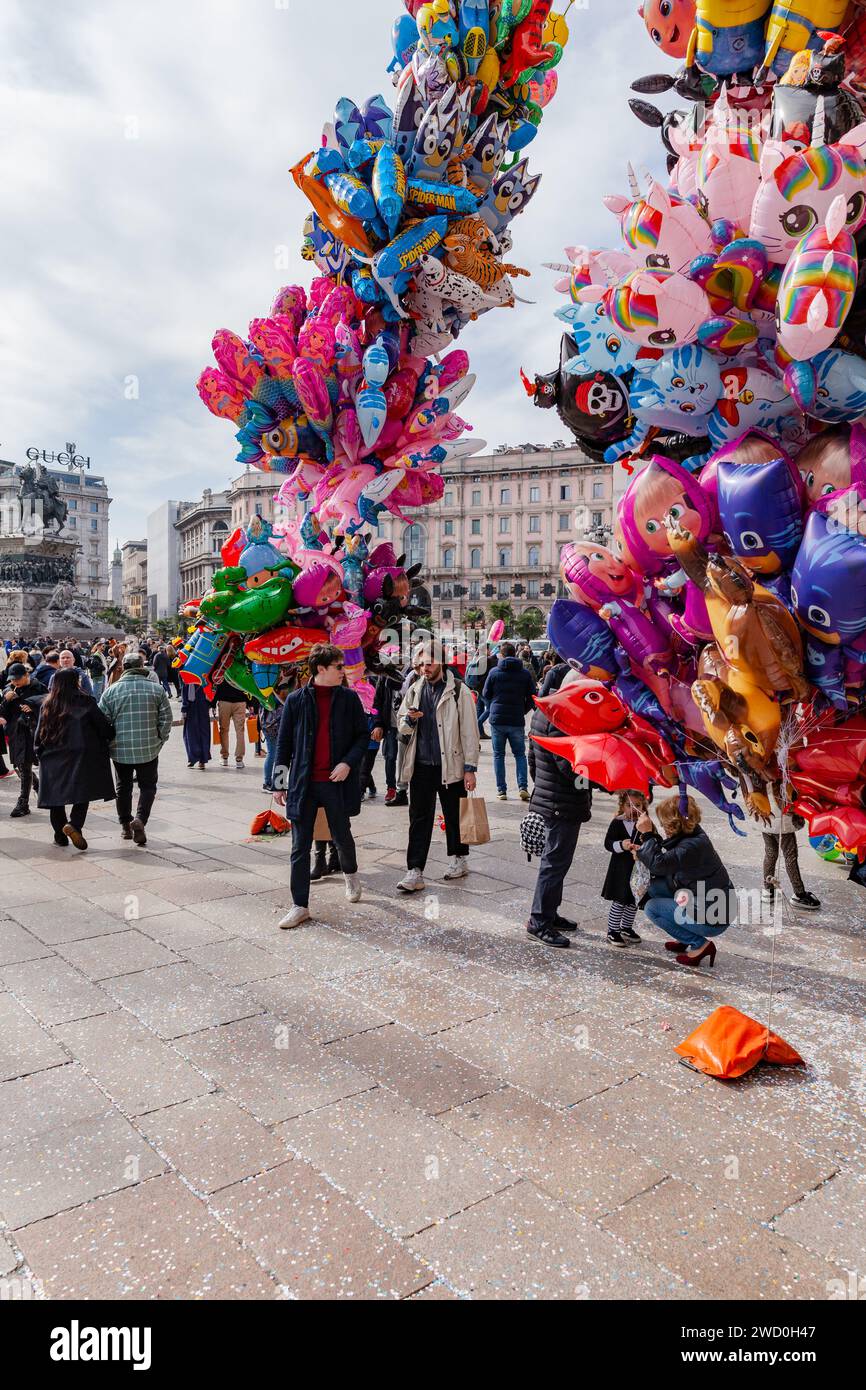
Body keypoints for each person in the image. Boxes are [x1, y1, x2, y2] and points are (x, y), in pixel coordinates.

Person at [273, 643, 369, 929]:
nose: (344, 671)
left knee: (342, 835)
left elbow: (362, 737)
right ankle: (299, 905)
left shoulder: (350, 699)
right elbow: (284, 743)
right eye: (338, 667)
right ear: (321, 669)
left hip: (335, 783)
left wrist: (348, 763)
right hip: (303, 783)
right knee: (299, 846)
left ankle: (350, 875)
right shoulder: (296, 700)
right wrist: (279, 783)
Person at [396, 643, 480, 894]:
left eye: (429, 662)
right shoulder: (414, 690)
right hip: (421, 765)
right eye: (421, 664)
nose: (425, 668)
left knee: (455, 815)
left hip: (451, 764)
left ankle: (459, 858)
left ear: (441, 662)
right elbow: (401, 727)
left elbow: (469, 730)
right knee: (419, 818)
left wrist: (470, 767)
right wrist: (408, 720)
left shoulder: (458, 691)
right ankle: (415, 870)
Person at [524, 671, 592, 947]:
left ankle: (550, 912)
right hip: (561, 803)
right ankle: (539, 921)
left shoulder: (543, 712)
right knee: (554, 864)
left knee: (556, 863)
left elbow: (532, 759)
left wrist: (541, 785)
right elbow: (570, 768)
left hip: (548, 797)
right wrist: (592, 778)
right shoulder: (563, 720)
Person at [635, 795, 737, 968]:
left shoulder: (691, 846)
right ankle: (683, 936)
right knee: (654, 889)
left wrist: (646, 836)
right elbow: (667, 858)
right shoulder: (692, 833)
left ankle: (700, 944)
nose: (662, 827)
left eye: (664, 823)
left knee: (652, 908)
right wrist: (648, 842)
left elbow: (659, 865)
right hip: (711, 903)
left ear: (673, 824)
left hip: (713, 918)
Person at [34, 668, 116, 850]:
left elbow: (39, 733)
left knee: (56, 798)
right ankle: (75, 825)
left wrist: (39, 752)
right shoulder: (86, 701)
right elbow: (103, 728)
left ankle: (60, 836)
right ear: (75, 682)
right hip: (82, 755)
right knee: (82, 793)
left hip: (52, 755)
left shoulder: (47, 704)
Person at [99, 652, 173, 846]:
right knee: (147, 787)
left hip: (120, 749)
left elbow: (102, 721)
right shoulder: (156, 690)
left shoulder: (111, 691)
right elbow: (166, 719)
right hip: (149, 748)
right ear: (142, 666)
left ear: (124, 667)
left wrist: (110, 741)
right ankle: (140, 819)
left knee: (123, 788)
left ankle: (125, 826)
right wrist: (160, 739)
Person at [481, 641, 536, 802]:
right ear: (515, 653)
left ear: (502, 655)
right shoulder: (524, 673)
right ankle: (523, 787)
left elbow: (485, 693)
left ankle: (501, 790)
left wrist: (493, 706)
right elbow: (532, 697)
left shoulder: (494, 672)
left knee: (499, 755)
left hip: (497, 719)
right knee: (520, 754)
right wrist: (523, 710)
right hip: (516, 719)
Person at [762, 785, 820, 912]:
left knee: (770, 854)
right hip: (783, 825)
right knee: (790, 856)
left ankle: (768, 889)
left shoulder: (756, 775)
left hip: (766, 820)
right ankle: (799, 894)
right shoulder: (780, 774)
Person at [0, 662, 47, 818]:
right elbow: (3, 713)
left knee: (25, 766)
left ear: (26, 675)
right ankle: (38, 785)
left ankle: (23, 803)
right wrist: (6, 700)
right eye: (12, 679)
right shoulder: (9, 690)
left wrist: (32, 707)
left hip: (32, 732)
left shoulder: (39, 687)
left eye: (17, 679)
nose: (15, 682)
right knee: (20, 767)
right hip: (15, 733)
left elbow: (49, 705)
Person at [602, 791, 648, 947]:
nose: (634, 809)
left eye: (638, 805)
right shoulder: (617, 822)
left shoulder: (645, 823)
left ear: (644, 806)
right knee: (620, 900)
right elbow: (608, 843)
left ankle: (626, 927)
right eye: (629, 805)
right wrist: (621, 845)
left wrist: (643, 846)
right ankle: (612, 930)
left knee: (633, 900)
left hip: (637, 869)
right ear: (622, 806)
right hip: (620, 869)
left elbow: (653, 840)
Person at [371, 667, 402, 805]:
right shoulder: (385, 677)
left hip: (409, 725)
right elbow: (377, 701)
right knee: (390, 757)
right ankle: (391, 787)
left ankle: (404, 789)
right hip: (391, 725)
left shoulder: (412, 674)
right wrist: (378, 724)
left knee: (408, 758)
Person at [214, 675, 247, 770]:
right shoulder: (241, 663)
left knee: (224, 730)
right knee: (240, 731)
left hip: (224, 700)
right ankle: (239, 759)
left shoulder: (223, 663)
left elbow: (217, 682)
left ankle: (224, 757)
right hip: (240, 701)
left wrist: (213, 703)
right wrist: (251, 703)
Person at [180, 680, 212, 770]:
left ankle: (194, 759)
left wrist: (184, 711)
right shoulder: (205, 677)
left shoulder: (187, 677)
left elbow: (185, 696)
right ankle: (202, 760)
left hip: (192, 709)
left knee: (191, 735)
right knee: (203, 734)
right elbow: (211, 693)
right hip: (203, 708)